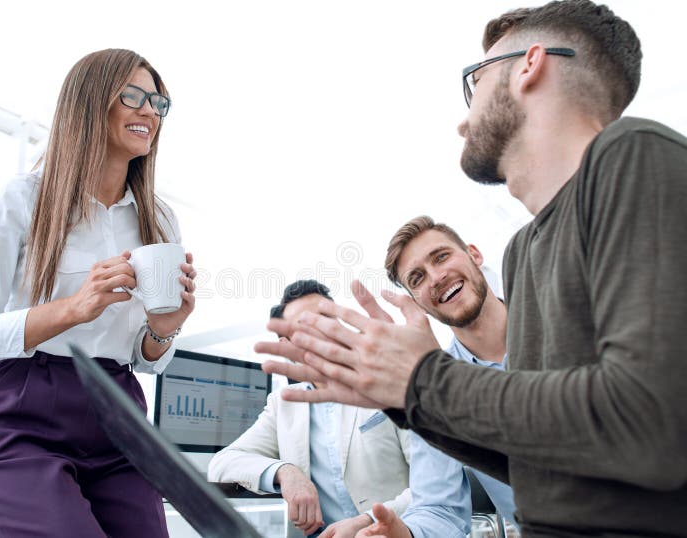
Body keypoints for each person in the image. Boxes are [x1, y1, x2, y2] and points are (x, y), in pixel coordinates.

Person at [256, 1, 687, 535]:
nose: (464, 119)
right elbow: (543, 465)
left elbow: (650, 423)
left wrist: (422, 380)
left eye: (473, 82)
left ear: (529, 65)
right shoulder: (526, 250)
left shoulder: (632, 155)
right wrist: (407, 402)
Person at [0, 49, 197, 538]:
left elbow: (147, 359)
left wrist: (163, 330)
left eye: (158, 102)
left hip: (121, 414)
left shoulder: (159, 220)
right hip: (25, 412)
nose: (149, 111)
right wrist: (72, 309)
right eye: (133, 96)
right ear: (90, 103)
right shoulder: (23, 200)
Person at [352, 216, 516, 537]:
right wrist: (405, 534)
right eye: (417, 278)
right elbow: (439, 507)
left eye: (441, 257)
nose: (436, 277)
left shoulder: (560, 320)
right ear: (417, 302)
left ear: (474, 255)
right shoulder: (430, 390)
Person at [209, 280, 412, 538]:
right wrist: (286, 472)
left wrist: (366, 522)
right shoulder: (284, 404)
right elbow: (223, 463)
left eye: (326, 319)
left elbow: (433, 487)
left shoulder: (388, 383)